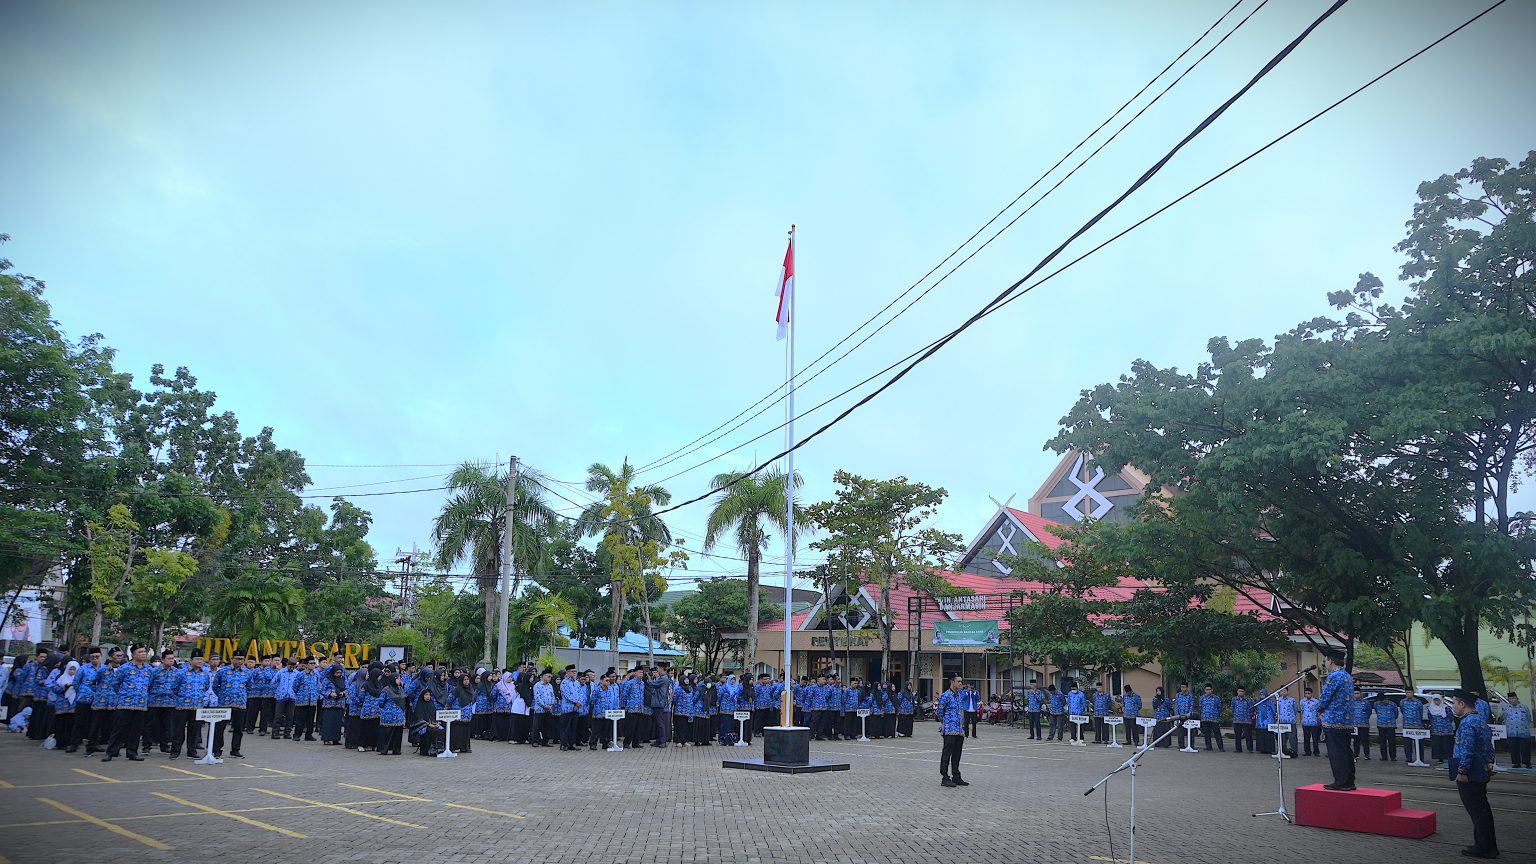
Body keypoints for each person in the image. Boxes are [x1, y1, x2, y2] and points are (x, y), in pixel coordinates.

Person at [1449, 688, 1498, 859]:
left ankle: (1484, 848)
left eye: (1454, 703)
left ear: (1462, 704)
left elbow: (1467, 750)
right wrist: (1489, 762)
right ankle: (1486, 845)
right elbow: (1488, 745)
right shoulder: (1480, 720)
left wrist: (1462, 771)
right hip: (1481, 769)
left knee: (1477, 811)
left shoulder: (1467, 723)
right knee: (1482, 810)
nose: (1453, 707)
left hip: (1470, 773)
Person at [102, 645, 153, 762]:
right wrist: (124, 694)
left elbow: (150, 684)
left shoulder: (149, 669)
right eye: (140, 652)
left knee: (136, 730)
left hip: (140, 704)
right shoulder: (124, 668)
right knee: (119, 729)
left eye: (144, 651)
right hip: (124, 703)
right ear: (133, 655)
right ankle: (111, 752)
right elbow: (115, 684)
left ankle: (132, 752)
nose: (143, 653)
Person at [1318, 654, 1356, 790]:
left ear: (1331, 661)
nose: (1325, 663)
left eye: (1326, 660)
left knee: (1336, 753)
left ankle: (1340, 781)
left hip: (1334, 720)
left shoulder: (1334, 676)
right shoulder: (1347, 676)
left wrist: (1319, 709)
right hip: (1347, 721)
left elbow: (1325, 697)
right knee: (1346, 751)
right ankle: (1349, 781)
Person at [146, 650, 182, 756]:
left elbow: (179, 686)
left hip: (170, 702)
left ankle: (165, 745)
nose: (171, 661)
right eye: (169, 658)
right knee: (151, 725)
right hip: (154, 702)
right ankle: (147, 746)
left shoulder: (177, 672)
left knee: (167, 726)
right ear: (162, 659)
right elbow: (148, 685)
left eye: (172, 659)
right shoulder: (154, 671)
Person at [937, 675, 967, 788]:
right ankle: (945, 777)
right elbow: (940, 712)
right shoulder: (946, 696)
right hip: (950, 729)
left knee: (957, 754)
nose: (960, 683)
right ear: (952, 682)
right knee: (947, 753)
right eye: (958, 681)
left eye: (961, 681)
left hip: (959, 729)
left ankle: (956, 775)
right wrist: (946, 722)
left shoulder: (960, 695)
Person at [376, 673, 407, 755]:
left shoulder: (400, 689)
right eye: (398, 678)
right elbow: (380, 701)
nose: (400, 680)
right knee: (387, 734)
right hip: (388, 716)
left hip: (399, 716)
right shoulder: (386, 690)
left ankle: (396, 749)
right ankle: (384, 749)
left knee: (398, 734)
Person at [412, 688, 445, 756]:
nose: (428, 696)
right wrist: (428, 724)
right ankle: (428, 750)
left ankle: (439, 749)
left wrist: (437, 723)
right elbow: (418, 718)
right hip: (423, 725)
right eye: (426, 695)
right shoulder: (419, 705)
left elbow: (435, 716)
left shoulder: (432, 704)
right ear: (423, 696)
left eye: (429, 695)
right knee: (430, 730)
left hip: (433, 724)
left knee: (442, 729)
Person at [1503, 692, 1530, 770]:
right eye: (1510, 698)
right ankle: (1516, 763)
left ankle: (1527, 763)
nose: (1512, 700)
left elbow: (1528, 717)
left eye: (1514, 698)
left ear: (1517, 698)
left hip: (1523, 731)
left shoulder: (1524, 707)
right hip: (1511, 732)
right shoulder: (1506, 708)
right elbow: (1505, 718)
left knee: (1525, 748)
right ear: (1508, 700)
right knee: (1513, 748)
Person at [649, 666, 674, 748]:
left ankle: (662, 741)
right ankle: (658, 740)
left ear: (661, 669)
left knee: (660, 723)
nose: (657, 671)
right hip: (658, 702)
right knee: (658, 723)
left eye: (658, 669)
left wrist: (649, 678)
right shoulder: (663, 678)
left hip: (659, 703)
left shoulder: (663, 678)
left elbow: (652, 684)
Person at [1374, 693, 1400, 761]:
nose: (1381, 702)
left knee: (1392, 742)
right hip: (1381, 725)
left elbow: (1396, 714)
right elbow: (1377, 712)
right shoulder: (1376, 704)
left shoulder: (1392, 704)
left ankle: (1393, 757)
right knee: (1382, 742)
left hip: (1391, 725)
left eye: (1382, 700)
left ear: (1385, 699)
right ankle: (1384, 756)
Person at [1198, 685, 1224, 752]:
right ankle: (1208, 747)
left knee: (1217, 733)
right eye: (1207, 690)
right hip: (1205, 718)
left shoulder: (1216, 698)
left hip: (1214, 719)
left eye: (1209, 689)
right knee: (1207, 734)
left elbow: (1219, 707)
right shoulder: (1202, 698)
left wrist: (1217, 715)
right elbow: (1200, 707)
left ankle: (1221, 747)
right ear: (1205, 690)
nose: (1208, 691)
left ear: (1212, 690)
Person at [1351, 688, 1373, 760]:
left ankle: (1367, 755)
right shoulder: (1351, 702)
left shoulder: (1366, 702)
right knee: (1356, 740)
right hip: (1354, 725)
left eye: (1357, 693)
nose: (1356, 695)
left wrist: (1365, 718)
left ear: (1360, 693)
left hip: (1364, 724)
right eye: (1354, 693)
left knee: (1365, 740)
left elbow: (1369, 712)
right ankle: (1356, 754)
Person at [1231, 687, 1254, 753]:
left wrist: (1249, 716)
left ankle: (1250, 749)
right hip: (1237, 720)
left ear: (1244, 692)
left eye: (1242, 691)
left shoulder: (1248, 700)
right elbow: (1233, 708)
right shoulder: (1234, 699)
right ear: (1237, 692)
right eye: (1239, 691)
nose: (1240, 692)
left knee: (1248, 735)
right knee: (1237, 736)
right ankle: (1238, 749)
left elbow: (1251, 709)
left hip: (1246, 720)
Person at [1254, 687, 1276, 755]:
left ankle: (1269, 749)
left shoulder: (1270, 702)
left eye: (1263, 694)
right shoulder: (1258, 702)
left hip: (1268, 721)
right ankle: (1262, 749)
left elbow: (1274, 711)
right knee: (1261, 735)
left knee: (1269, 735)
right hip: (1260, 722)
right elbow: (1256, 710)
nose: (1262, 696)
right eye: (1261, 694)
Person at [1301, 687, 1322, 756]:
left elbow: (1319, 711)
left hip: (1314, 722)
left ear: (1312, 694)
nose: (1307, 695)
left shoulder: (1316, 701)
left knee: (1315, 738)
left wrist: (1319, 720)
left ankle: (1316, 752)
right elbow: (1302, 710)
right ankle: (1307, 751)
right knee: (1306, 738)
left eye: (1309, 693)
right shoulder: (1302, 701)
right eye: (1306, 693)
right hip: (1305, 722)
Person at [1174, 683, 1196, 749]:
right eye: (1181, 687)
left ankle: (1191, 746)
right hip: (1180, 716)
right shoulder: (1178, 695)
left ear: (1187, 688)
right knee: (1180, 732)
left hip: (1188, 716)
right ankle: (1181, 745)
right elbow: (1176, 705)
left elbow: (1191, 706)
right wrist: (1177, 715)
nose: (1182, 689)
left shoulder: (1190, 696)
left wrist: (1189, 715)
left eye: (1184, 687)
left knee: (1190, 732)